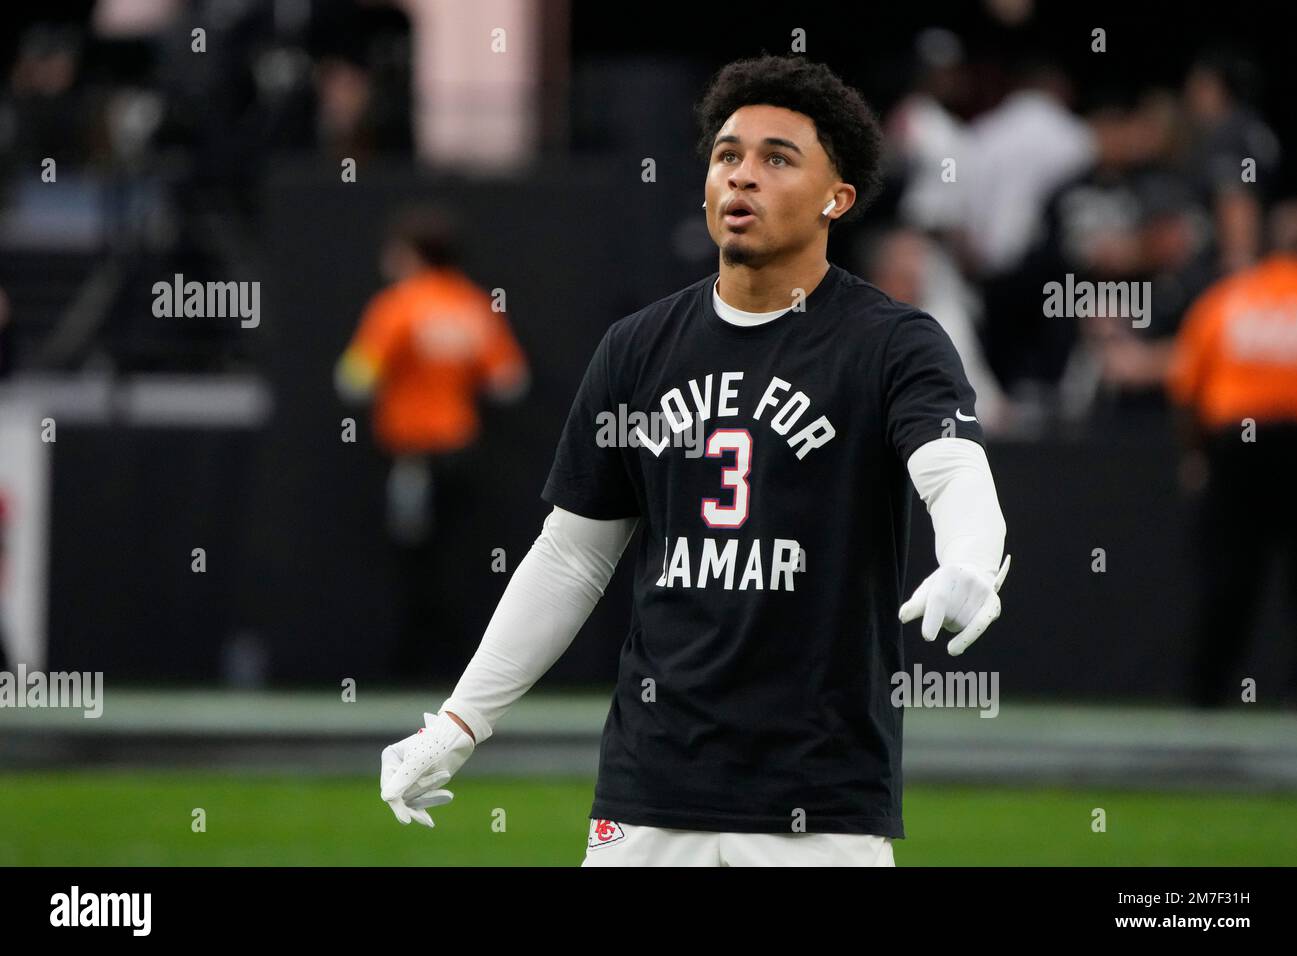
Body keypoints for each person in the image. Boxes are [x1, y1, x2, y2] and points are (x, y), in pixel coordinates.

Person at [379, 55, 1009, 866]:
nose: (742, 176)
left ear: (836, 198)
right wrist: (460, 721)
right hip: (651, 784)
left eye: (778, 158)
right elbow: (572, 556)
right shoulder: (638, 346)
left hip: (818, 797)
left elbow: (952, 467)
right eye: (727, 155)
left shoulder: (891, 341)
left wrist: (970, 556)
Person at [335, 207, 529, 677]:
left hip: (414, 458)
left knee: (412, 564)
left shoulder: (397, 306)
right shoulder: (473, 305)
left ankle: (410, 666)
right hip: (462, 453)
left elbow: (354, 379)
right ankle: (461, 665)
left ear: (410, 254)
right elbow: (510, 380)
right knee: (458, 561)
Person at [1167, 201, 1297, 708]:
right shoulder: (1230, 297)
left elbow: (1186, 391)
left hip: (1240, 451)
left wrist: (1195, 455)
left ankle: (1205, 699)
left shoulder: (1232, 299)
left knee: (1228, 579)